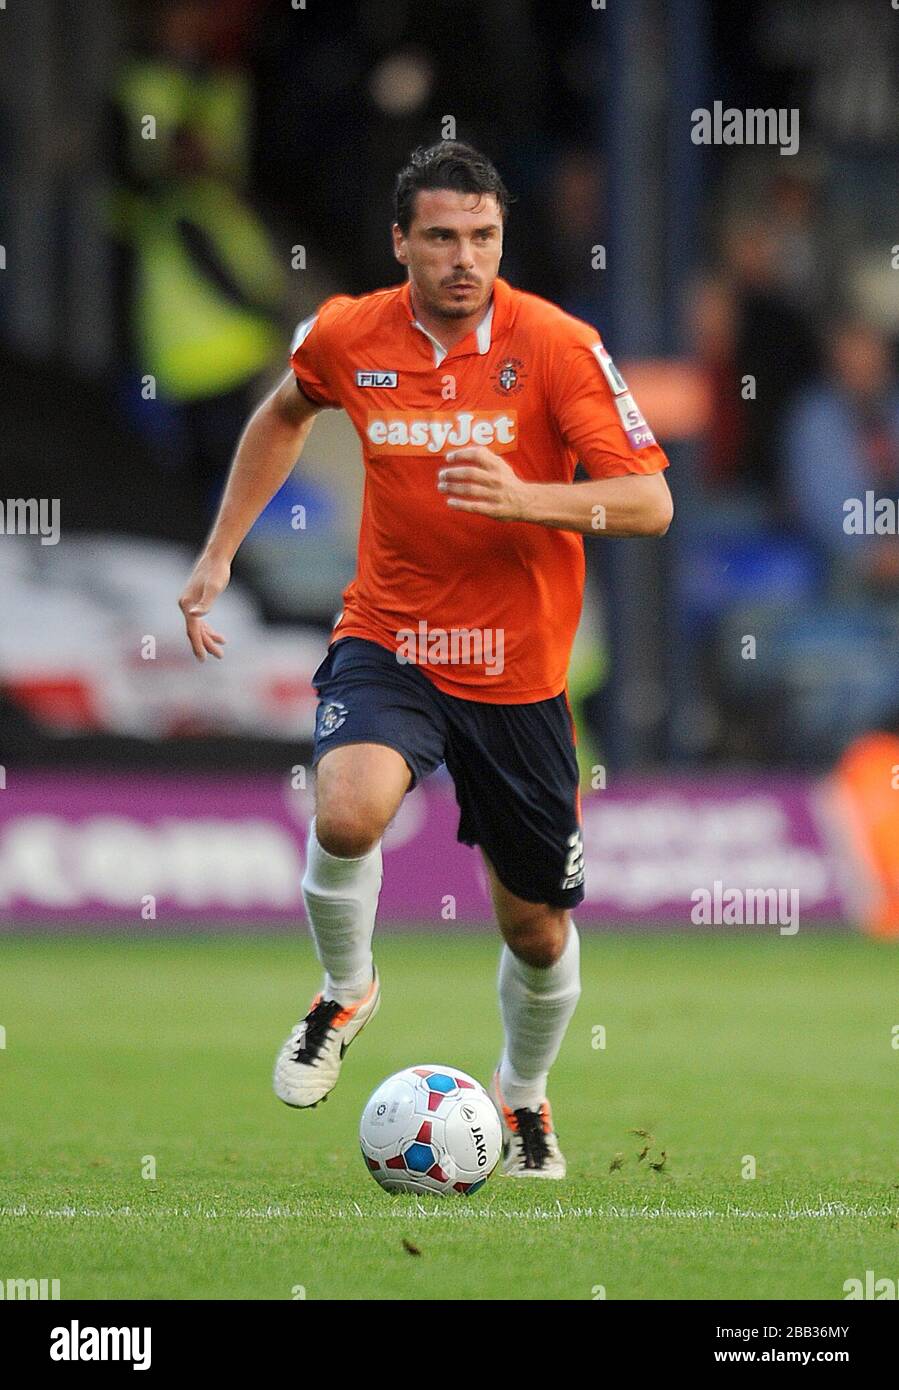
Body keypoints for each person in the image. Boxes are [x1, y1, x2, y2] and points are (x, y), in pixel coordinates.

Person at [178, 142, 672, 1178]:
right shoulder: (349, 334)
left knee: (535, 932)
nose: (463, 258)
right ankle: (344, 990)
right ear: (400, 240)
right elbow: (282, 414)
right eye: (441, 237)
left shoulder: (558, 346)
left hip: (519, 674)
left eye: (482, 237)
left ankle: (525, 1097)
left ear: (502, 240)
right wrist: (219, 551)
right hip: (390, 639)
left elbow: (647, 502)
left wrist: (529, 498)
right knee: (345, 809)